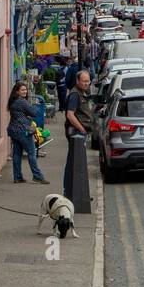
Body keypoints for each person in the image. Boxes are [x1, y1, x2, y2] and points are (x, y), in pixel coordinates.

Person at [7, 82, 49, 185]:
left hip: (13, 130)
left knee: (17, 154)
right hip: (23, 131)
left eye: (25, 90)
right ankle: (37, 176)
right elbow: (34, 112)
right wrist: (31, 111)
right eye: (22, 90)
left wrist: (26, 115)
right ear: (17, 91)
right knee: (32, 153)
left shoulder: (13, 101)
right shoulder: (22, 102)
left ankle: (17, 177)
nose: (25, 91)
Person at [63, 70, 96, 199]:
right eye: (84, 81)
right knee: (74, 163)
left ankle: (78, 192)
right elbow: (70, 115)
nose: (86, 83)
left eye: (88, 81)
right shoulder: (74, 95)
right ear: (77, 81)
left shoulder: (82, 92)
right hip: (75, 132)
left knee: (78, 163)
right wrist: (82, 129)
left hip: (79, 132)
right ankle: (69, 193)